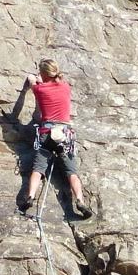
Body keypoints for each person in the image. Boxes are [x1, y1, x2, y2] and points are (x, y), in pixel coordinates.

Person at [20, 59, 93, 220]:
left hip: (47, 133)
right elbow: (57, 82)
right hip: (64, 134)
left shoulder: (40, 90)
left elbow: (31, 80)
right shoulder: (66, 87)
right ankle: (80, 201)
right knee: (71, 172)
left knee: (38, 168)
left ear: (44, 73)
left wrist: (36, 79)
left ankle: (30, 196)